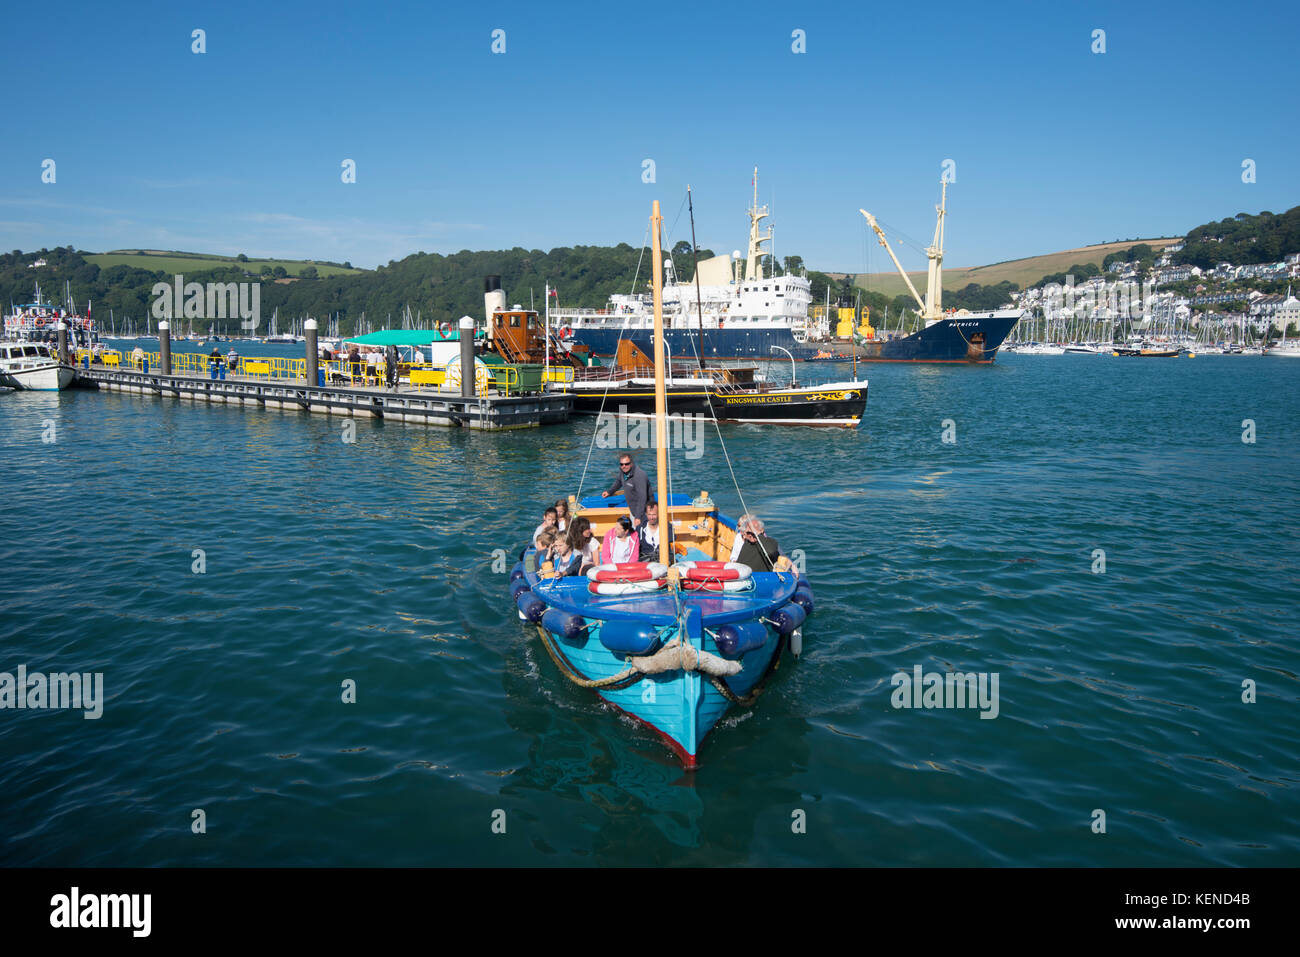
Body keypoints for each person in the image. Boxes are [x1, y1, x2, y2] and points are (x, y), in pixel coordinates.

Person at [601, 452, 651, 527]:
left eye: (626, 464)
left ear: (631, 463)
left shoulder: (639, 475)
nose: (624, 466)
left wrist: (638, 517)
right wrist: (609, 492)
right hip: (633, 510)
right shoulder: (624, 472)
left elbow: (642, 498)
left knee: (642, 534)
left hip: (644, 512)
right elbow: (618, 481)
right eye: (621, 464)